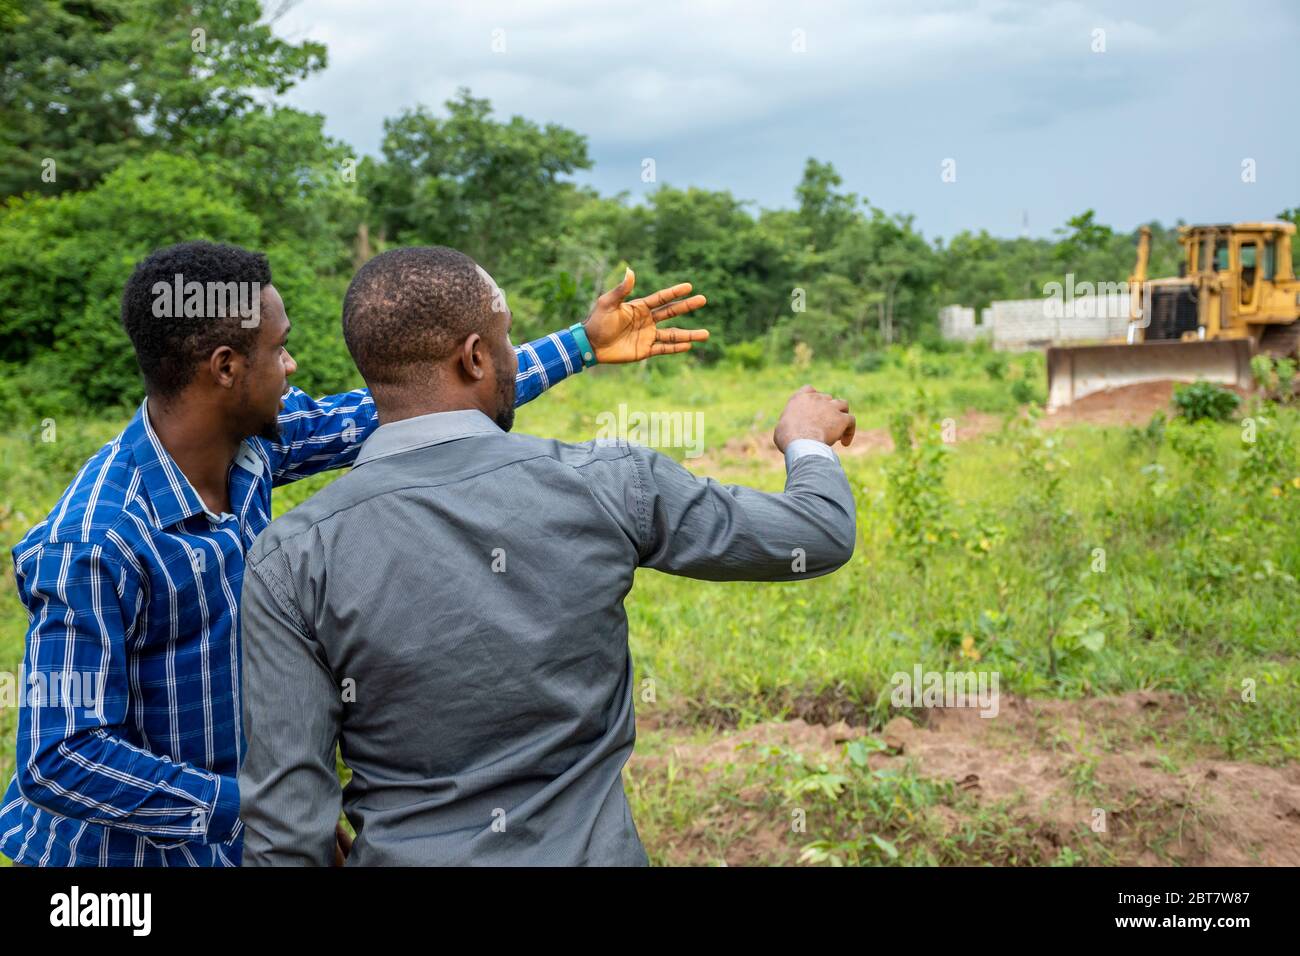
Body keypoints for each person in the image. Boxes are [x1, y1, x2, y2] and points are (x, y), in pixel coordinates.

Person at [0, 240, 707, 867]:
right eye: (279, 349)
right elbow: (60, 758)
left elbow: (409, 402)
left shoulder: (253, 447)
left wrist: (581, 344)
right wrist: (253, 806)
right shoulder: (95, 541)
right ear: (224, 368)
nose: (292, 363)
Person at [238, 245, 856, 866]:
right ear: (476, 356)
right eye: (507, 342)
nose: (513, 358)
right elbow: (817, 534)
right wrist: (805, 441)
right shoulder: (610, 483)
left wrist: (584, 343)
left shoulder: (290, 559)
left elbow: (287, 835)